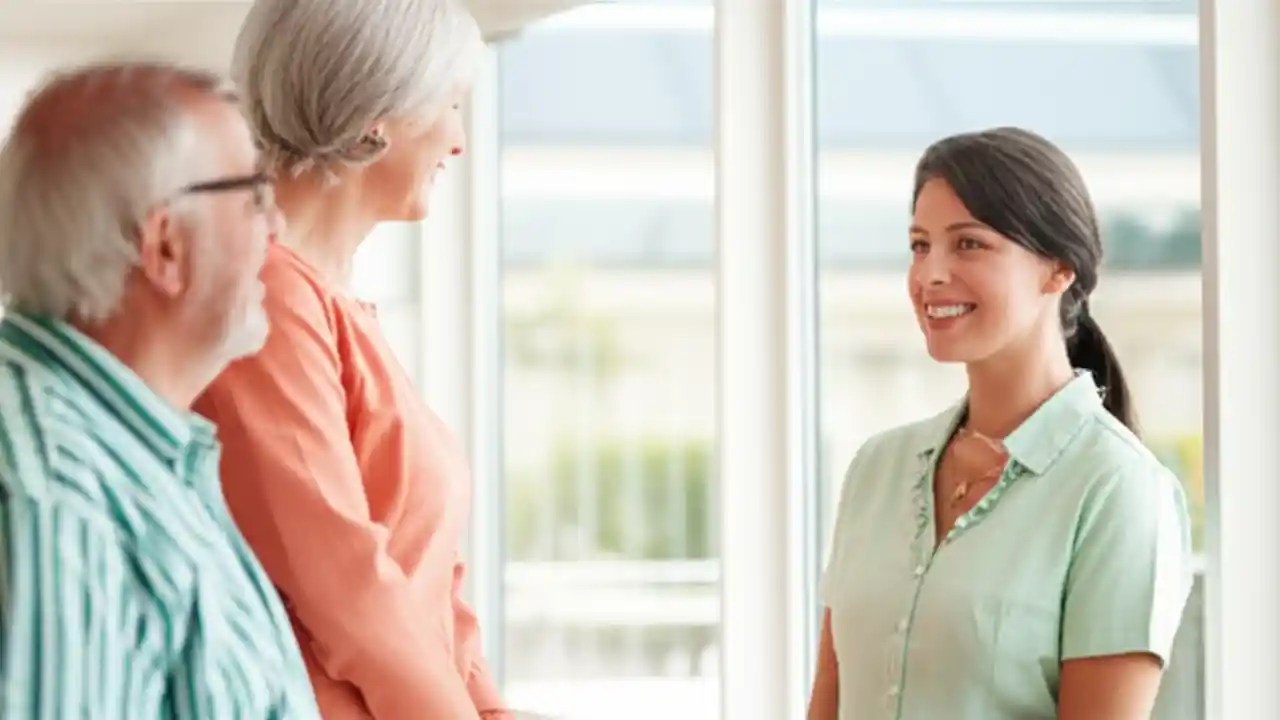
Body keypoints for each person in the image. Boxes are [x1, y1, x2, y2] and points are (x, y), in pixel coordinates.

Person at [807, 127, 1193, 720]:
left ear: (1059, 269)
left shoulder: (1119, 489)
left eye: (968, 245)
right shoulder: (876, 468)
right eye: (919, 245)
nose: (930, 274)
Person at [191, 1, 508, 718]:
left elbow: (432, 589)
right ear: (377, 116)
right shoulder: (264, 296)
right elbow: (346, 590)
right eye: (450, 104)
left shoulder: (329, 303)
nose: (458, 140)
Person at [0, 62, 318, 718]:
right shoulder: (60, 499)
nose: (277, 227)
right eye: (254, 196)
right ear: (166, 246)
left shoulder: (127, 456)